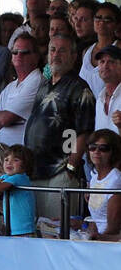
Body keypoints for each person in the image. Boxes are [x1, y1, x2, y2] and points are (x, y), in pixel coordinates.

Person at [23, 32, 96, 219]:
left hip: (60, 172)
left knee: (56, 230)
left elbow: (84, 131)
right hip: (36, 169)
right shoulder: (44, 85)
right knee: (39, 228)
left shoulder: (79, 88)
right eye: (52, 50)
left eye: (62, 51)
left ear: (73, 56)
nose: (56, 55)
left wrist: (71, 166)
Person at [0, 144, 35, 237]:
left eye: (15, 160)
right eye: (6, 160)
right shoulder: (5, 177)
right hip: (12, 229)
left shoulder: (19, 177)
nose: (9, 163)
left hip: (23, 229)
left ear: (25, 164)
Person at [82, 129, 121, 241]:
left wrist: (96, 238)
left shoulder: (116, 181)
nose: (96, 152)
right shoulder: (94, 178)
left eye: (103, 148)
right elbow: (97, 219)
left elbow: (113, 229)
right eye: (92, 147)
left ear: (113, 152)